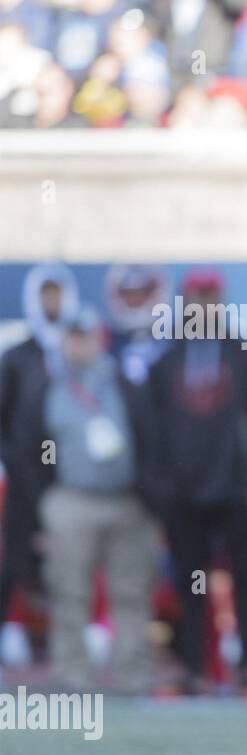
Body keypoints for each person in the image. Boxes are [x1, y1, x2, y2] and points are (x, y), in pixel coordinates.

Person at [149, 267, 247, 695]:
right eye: (196, 296)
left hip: (235, 488)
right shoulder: (167, 357)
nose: (203, 305)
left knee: (246, 580)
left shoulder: (244, 353)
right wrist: (162, 485)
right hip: (183, 492)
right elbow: (154, 426)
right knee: (189, 581)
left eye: (210, 296)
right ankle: (193, 667)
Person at [37, 308, 156, 691]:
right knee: (69, 590)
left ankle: (131, 674)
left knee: (131, 591)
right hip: (72, 500)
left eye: (85, 336)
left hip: (126, 501)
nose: (78, 345)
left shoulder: (124, 382)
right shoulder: (48, 385)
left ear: (99, 339)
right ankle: (72, 673)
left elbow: (150, 437)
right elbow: (31, 448)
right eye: (72, 337)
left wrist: (150, 497)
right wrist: (44, 500)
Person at [0, 262, 80, 661]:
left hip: (70, 478)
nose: (52, 302)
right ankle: (11, 627)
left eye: (57, 293)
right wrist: (14, 459)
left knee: (70, 561)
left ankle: (71, 637)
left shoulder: (79, 349)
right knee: (16, 556)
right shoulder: (17, 355)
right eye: (45, 293)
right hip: (23, 473)